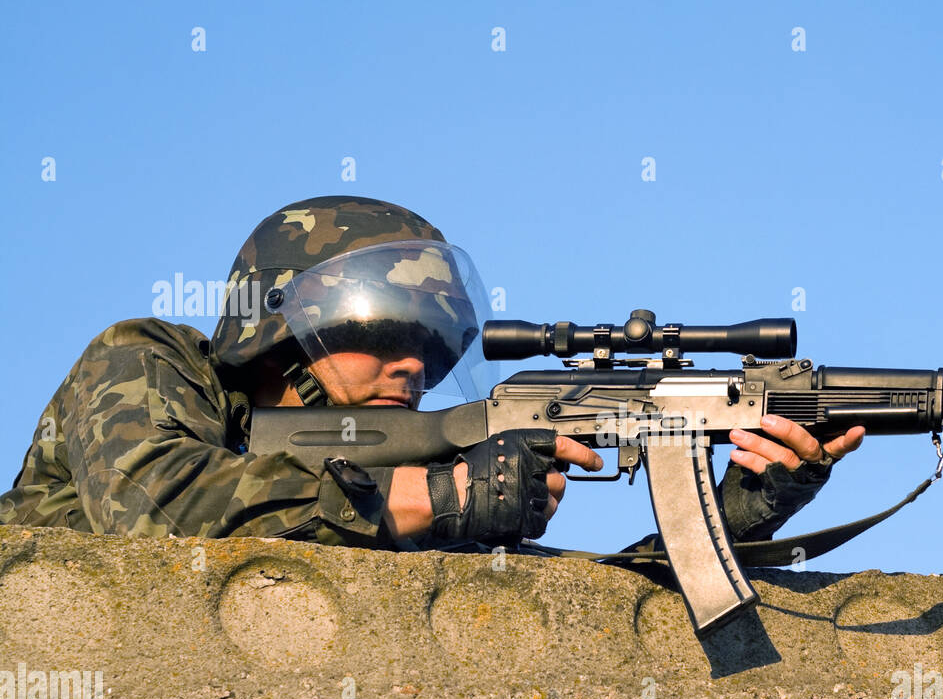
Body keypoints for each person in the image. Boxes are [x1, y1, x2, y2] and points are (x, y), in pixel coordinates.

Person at [0, 195, 864, 556]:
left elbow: (576, 616)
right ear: (285, 330)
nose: (411, 366)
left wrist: (746, 512)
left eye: (431, 349)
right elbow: (153, 511)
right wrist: (435, 501)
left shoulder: (371, 500)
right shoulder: (147, 355)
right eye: (380, 335)